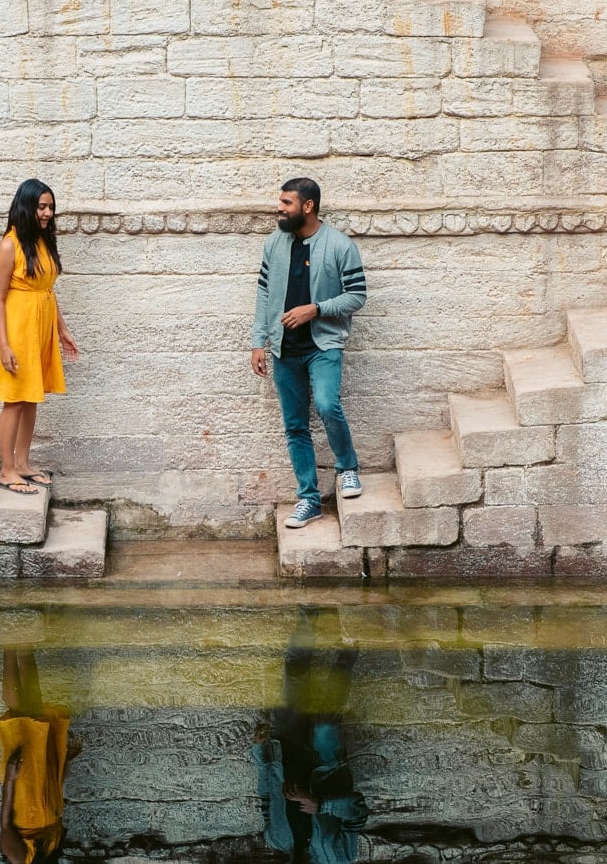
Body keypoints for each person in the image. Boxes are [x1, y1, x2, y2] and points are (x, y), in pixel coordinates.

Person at [248, 178, 368, 529]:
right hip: (283, 348)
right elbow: (263, 294)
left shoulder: (340, 245)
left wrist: (315, 309)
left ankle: (348, 468)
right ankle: (309, 500)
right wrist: (258, 341)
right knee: (295, 425)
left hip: (323, 345)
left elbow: (357, 296)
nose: (279, 208)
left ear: (308, 206)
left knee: (328, 405)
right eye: (281, 202)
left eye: (287, 203)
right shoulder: (274, 243)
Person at [252, 608, 366, 863]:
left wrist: (260, 751)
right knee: (325, 721)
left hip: (287, 752)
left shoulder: (276, 840)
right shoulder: (340, 858)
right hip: (325, 765)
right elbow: (357, 812)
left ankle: (309, 616)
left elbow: (266, 798)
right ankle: (350, 643)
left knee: (294, 681)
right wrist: (321, 805)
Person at [0, 179, 81, 495]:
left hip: (40, 328)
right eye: (41, 207)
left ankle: (23, 463)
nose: (47, 213)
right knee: (15, 399)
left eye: (51, 207)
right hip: (18, 330)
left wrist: (62, 329)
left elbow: (47, 290)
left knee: (31, 398)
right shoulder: (10, 245)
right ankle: (7, 471)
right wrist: (4, 345)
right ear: (26, 206)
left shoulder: (42, 242)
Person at [0, 646, 80, 864]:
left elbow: (5, 824)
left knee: (18, 716)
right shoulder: (50, 854)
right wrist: (65, 761)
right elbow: (55, 798)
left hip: (22, 784)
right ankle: (25, 648)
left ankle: (9, 647)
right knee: (36, 713)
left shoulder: (21, 859)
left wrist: (10, 778)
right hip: (44, 780)